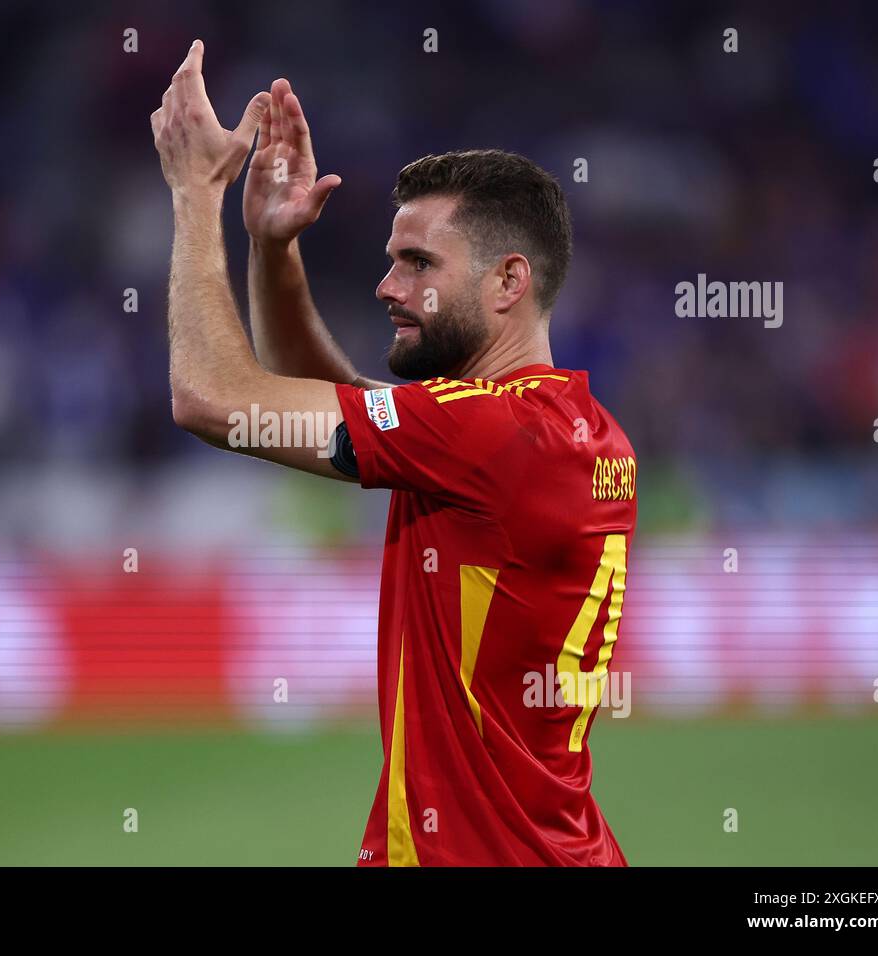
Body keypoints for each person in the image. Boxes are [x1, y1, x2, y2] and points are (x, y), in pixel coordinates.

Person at [151, 40, 636, 866]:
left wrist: (197, 194)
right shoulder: (563, 428)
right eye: (390, 262)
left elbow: (211, 399)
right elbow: (334, 405)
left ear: (508, 281)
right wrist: (274, 248)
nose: (387, 286)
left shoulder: (486, 436)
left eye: (418, 264)